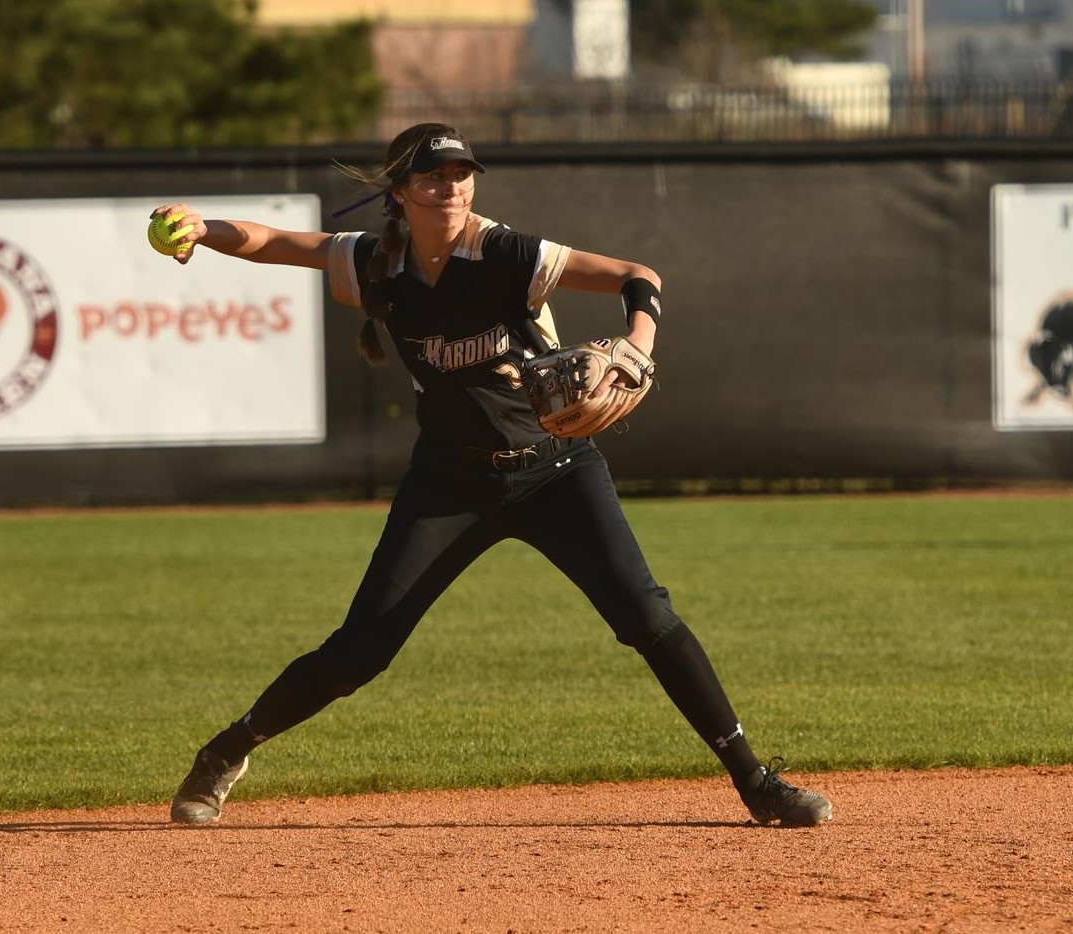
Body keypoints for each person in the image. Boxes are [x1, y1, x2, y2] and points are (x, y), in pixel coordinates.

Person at [150, 122, 832, 828]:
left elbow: (638, 276)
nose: (450, 187)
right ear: (401, 191)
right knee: (359, 653)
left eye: (461, 174)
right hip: (450, 482)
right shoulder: (376, 264)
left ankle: (756, 782)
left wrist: (638, 344)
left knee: (648, 619)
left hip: (556, 470)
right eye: (432, 177)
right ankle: (226, 750)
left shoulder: (506, 252)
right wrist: (204, 228)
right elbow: (275, 244)